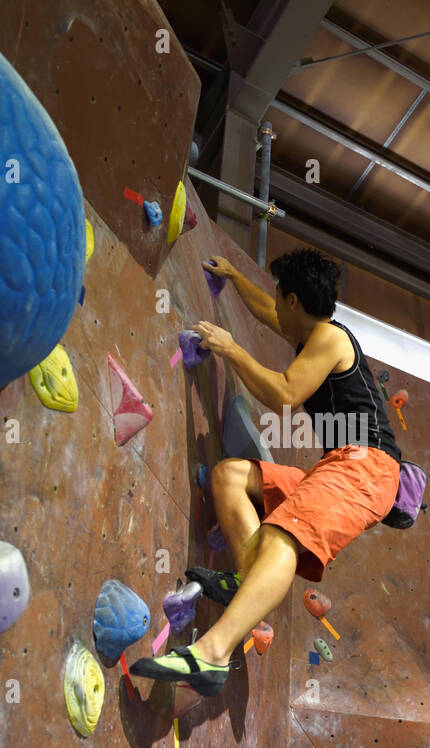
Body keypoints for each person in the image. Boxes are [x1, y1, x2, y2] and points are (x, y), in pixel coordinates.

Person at [130, 248, 401, 696]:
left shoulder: (331, 339)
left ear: (294, 300)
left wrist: (231, 349)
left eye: (280, 298)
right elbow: (268, 311)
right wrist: (236, 277)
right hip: (341, 465)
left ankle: (213, 654)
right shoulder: (310, 329)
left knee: (284, 532)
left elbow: (285, 394)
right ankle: (246, 583)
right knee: (230, 476)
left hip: (367, 467)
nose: (275, 307)